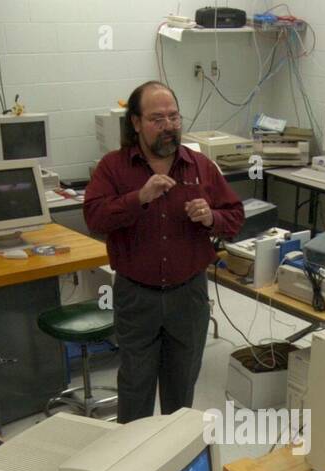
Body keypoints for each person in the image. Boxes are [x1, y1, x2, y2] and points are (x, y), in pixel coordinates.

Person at [84, 81, 245, 423]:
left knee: (181, 387)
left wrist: (211, 217)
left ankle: (174, 460)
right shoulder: (113, 167)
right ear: (136, 123)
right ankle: (133, 463)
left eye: (174, 116)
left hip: (188, 297)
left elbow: (235, 217)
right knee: (135, 386)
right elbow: (94, 218)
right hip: (136, 297)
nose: (169, 125)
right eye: (157, 118)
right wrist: (138, 198)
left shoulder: (200, 166)